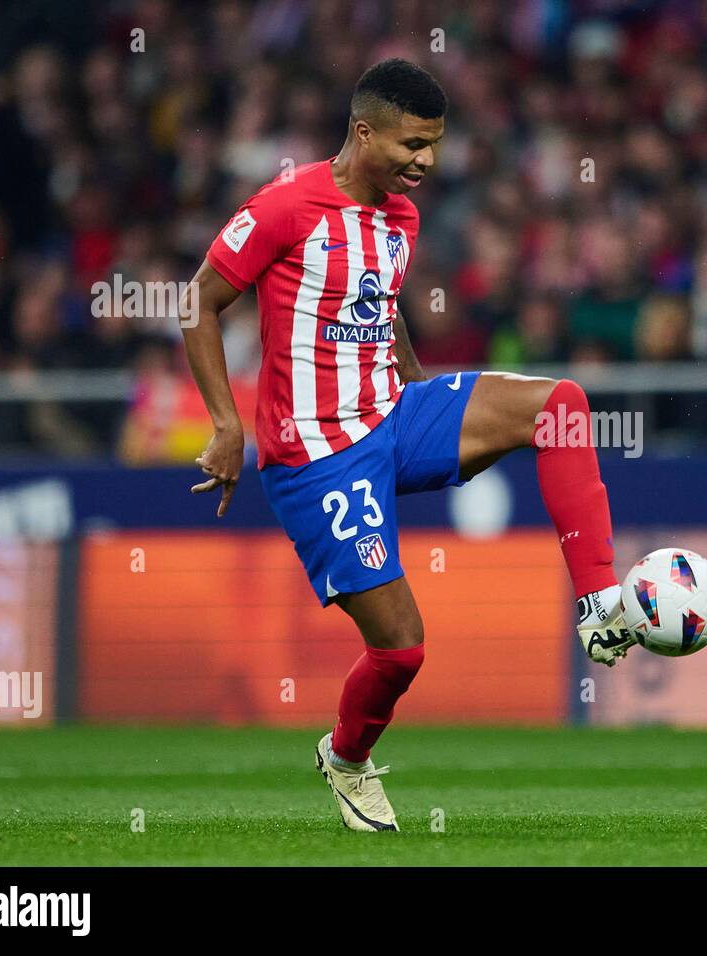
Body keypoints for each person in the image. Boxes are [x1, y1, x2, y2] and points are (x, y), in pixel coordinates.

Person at [178, 60, 634, 832]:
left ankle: (598, 601)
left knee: (561, 405)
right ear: (364, 132)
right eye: (413, 144)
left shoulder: (403, 218)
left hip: (391, 415)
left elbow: (377, 306)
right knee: (402, 652)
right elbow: (199, 301)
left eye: (436, 145)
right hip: (316, 456)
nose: (427, 161)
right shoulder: (286, 208)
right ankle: (346, 759)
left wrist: (419, 387)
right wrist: (226, 423)